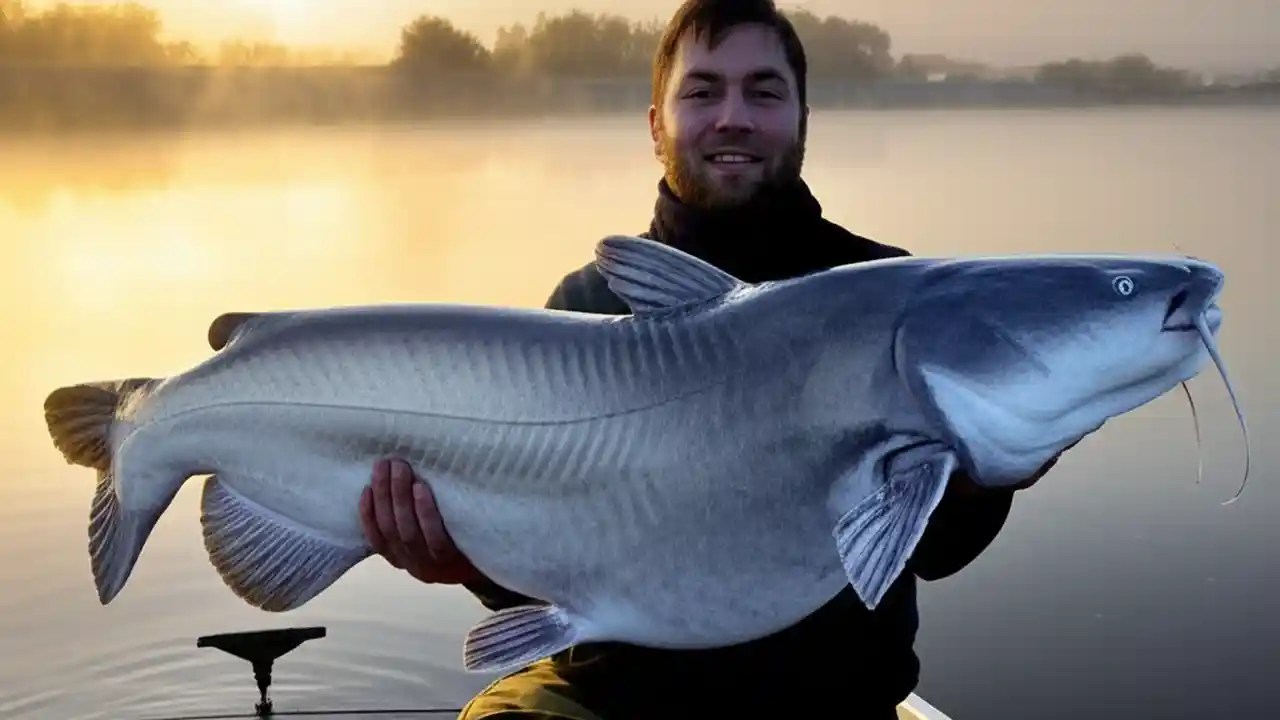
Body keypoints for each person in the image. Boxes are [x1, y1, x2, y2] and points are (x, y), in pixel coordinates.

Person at [358, 1, 1062, 717]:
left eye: (763, 91)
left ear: (802, 118)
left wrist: (984, 470)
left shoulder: (885, 291)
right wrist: (460, 556)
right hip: (613, 701)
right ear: (657, 123)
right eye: (703, 92)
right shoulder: (588, 304)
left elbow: (936, 552)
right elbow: (545, 566)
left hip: (835, 702)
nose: (734, 117)